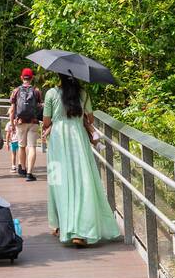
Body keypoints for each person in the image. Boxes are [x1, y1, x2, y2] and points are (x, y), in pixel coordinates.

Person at [43, 73, 121, 248]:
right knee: (82, 180)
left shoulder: (51, 93)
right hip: (77, 137)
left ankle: (62, 225)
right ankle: (83, 229)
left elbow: (47, 121)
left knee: (59, 181)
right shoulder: (83, 94)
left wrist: (52, 124)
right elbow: (91, 119)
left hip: (58, 140)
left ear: (59, 75)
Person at [9, 67, 44, 182]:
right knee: (32, 147)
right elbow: (40, 106)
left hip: (20, 122)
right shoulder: (36, 91)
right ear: (32, 78)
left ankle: (22, 168)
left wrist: (12, 124)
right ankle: (29, 173)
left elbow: (13, 109)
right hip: (33, 122)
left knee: (21, 146)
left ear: (21, 78)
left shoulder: (16, 91)